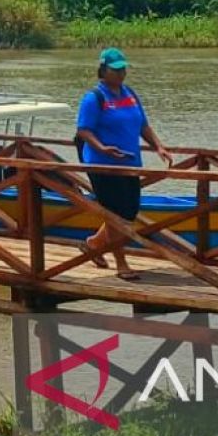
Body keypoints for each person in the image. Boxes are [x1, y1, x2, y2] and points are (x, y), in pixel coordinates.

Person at [75, 47, 173, 281]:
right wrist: (102, 148)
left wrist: (158, 146)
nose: (121, 74)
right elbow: (83, 131)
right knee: (115, 216)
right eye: (115, 70)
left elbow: (143, 125)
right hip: (103, 166)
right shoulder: (94, 98)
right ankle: (121, 263)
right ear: (103, 70)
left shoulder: (129, 93)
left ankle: (93, 244)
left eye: (123, 69)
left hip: (130, 163)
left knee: (129, 212)